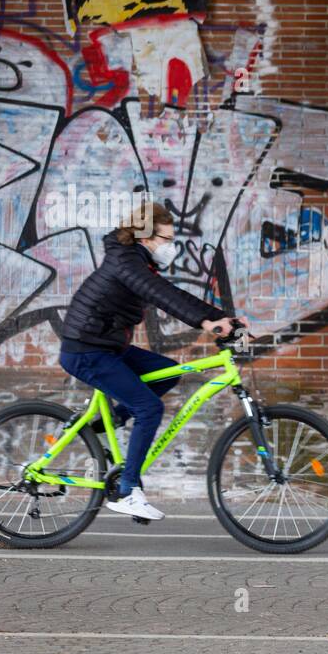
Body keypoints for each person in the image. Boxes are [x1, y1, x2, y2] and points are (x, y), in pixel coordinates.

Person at [59, 202, 242, 521]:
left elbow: (168, 291)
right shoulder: (126, 263)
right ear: (145, 238)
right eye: (167, 240)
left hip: (106, 345)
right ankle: (128, 490)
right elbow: (160, 294)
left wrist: (220, 318)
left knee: (166, 374)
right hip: (86, 350)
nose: (171, 248)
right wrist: (205, 322)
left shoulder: (132, 259)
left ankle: (103, 425)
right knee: (149, 408)